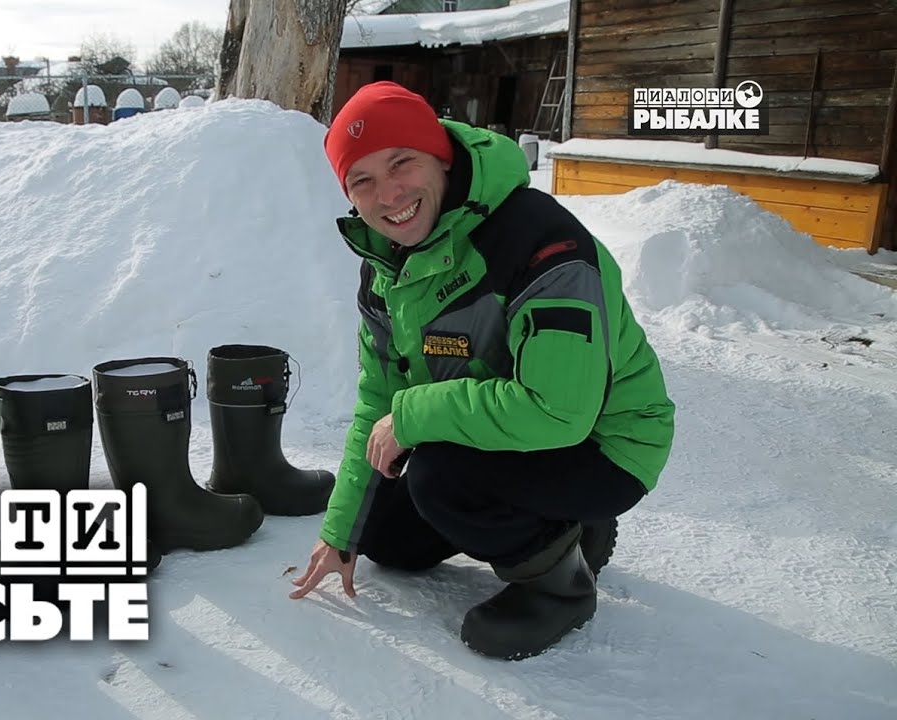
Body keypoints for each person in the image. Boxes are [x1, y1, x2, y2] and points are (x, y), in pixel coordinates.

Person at [288, 81, 675, 661]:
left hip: (604, 443)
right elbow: (378, 398)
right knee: (384, 535)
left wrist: (412, 415)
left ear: (441, 156)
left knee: (440, 474)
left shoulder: (543, 243)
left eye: (402, 163)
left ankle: (560, 586)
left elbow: (558, 411)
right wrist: (339, 532)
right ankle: (563, 523)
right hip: (512, 434)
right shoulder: (385, 264)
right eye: (361, 180)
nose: (388, 194)